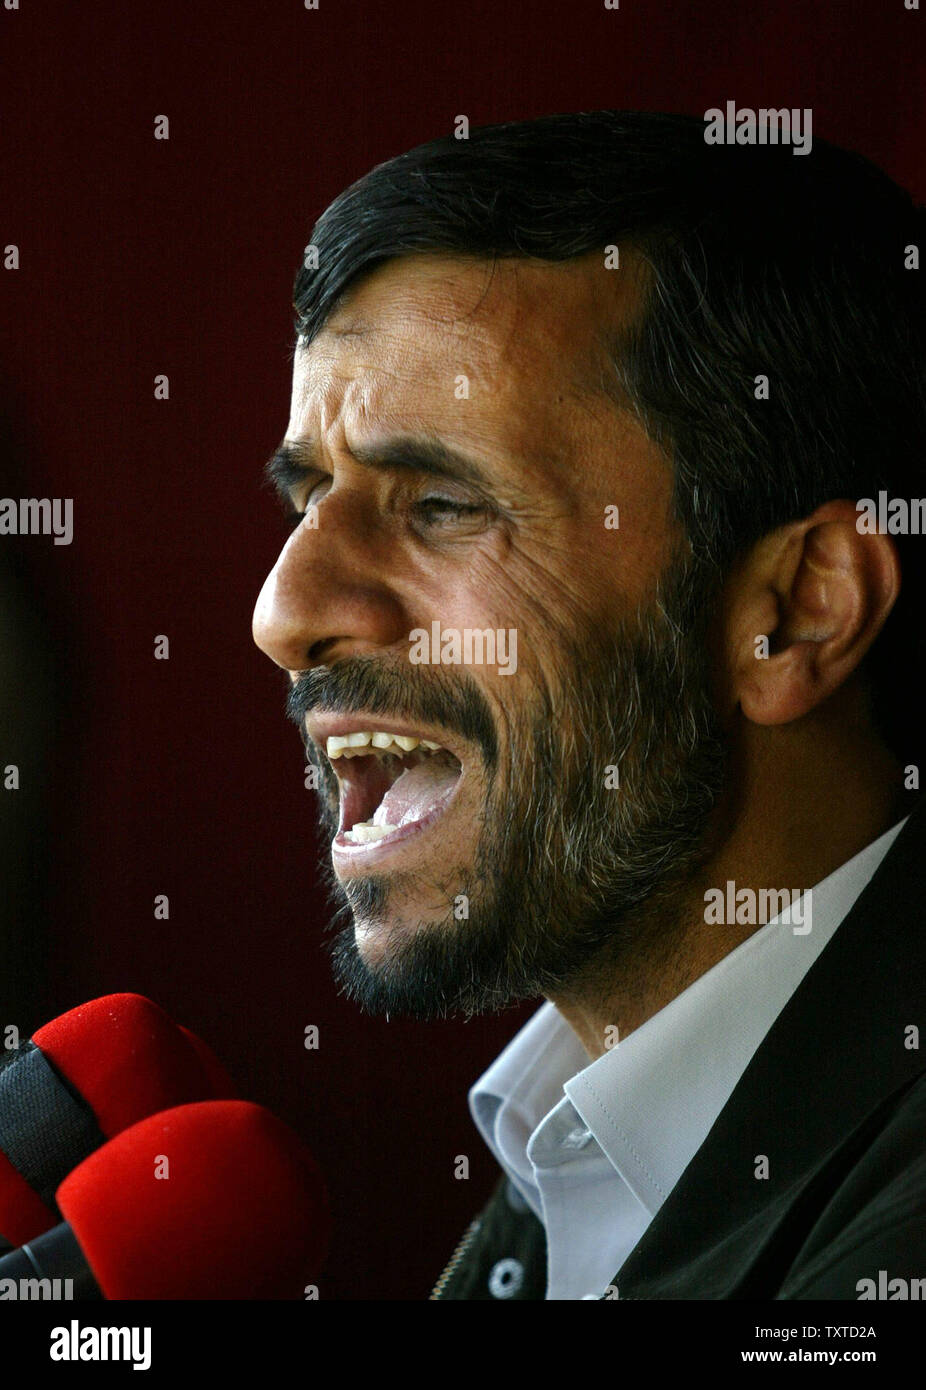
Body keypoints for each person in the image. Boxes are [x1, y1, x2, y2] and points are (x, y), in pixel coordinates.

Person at [251, 111, 926, 1300]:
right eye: (311, 493)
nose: (284, 609)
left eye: (442, 504)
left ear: (798, 610)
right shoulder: (563, 1135)